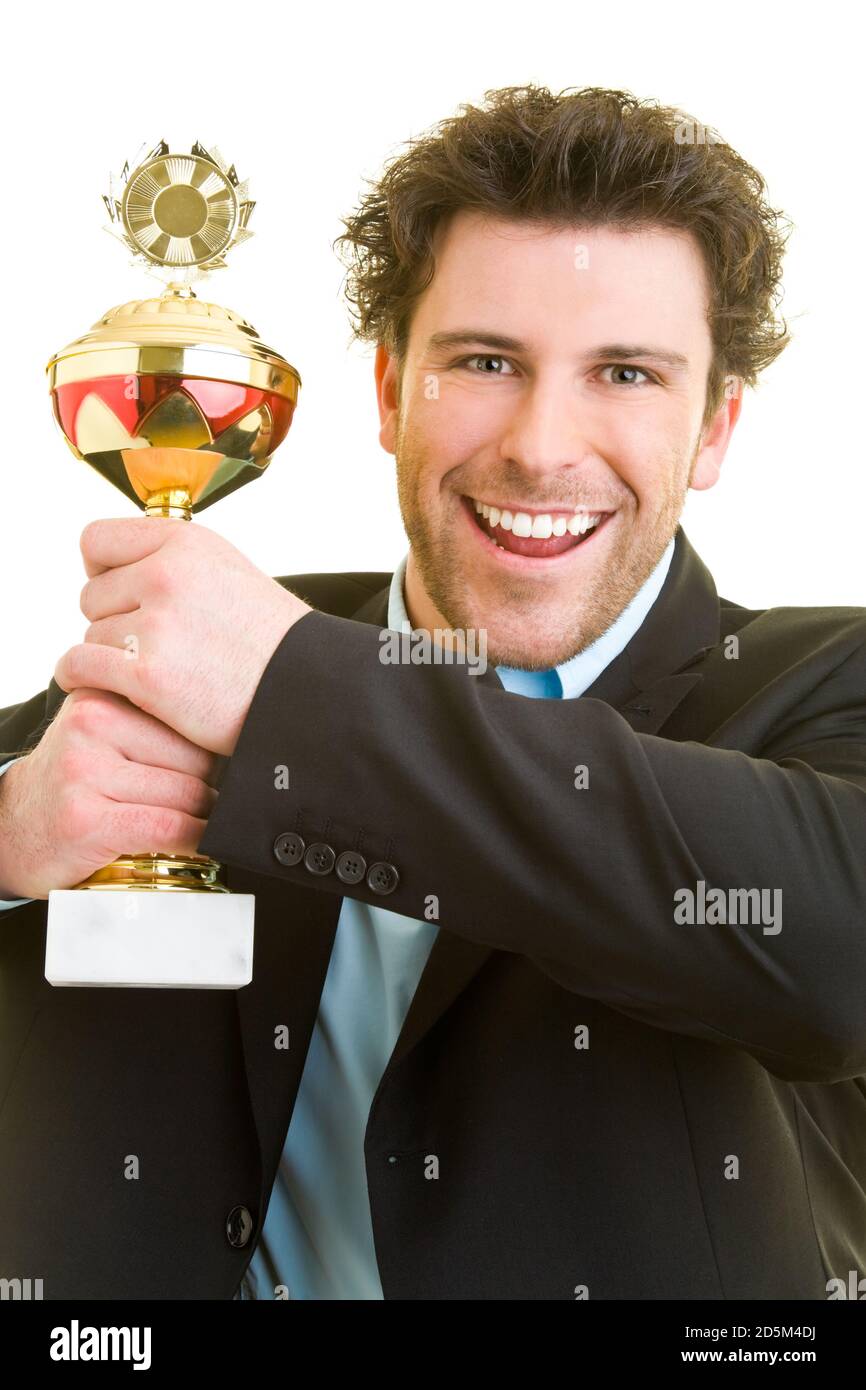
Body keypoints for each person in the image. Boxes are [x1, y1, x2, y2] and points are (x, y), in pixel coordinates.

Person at [1, 84, 864, 1301]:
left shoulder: (817, 685)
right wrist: (8, 829)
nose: (538, 444)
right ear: (387, 387)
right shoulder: (213, 646)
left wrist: (285, 688)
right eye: (484, 361)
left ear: (714, 427)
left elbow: (832, 942)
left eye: (623, 372)